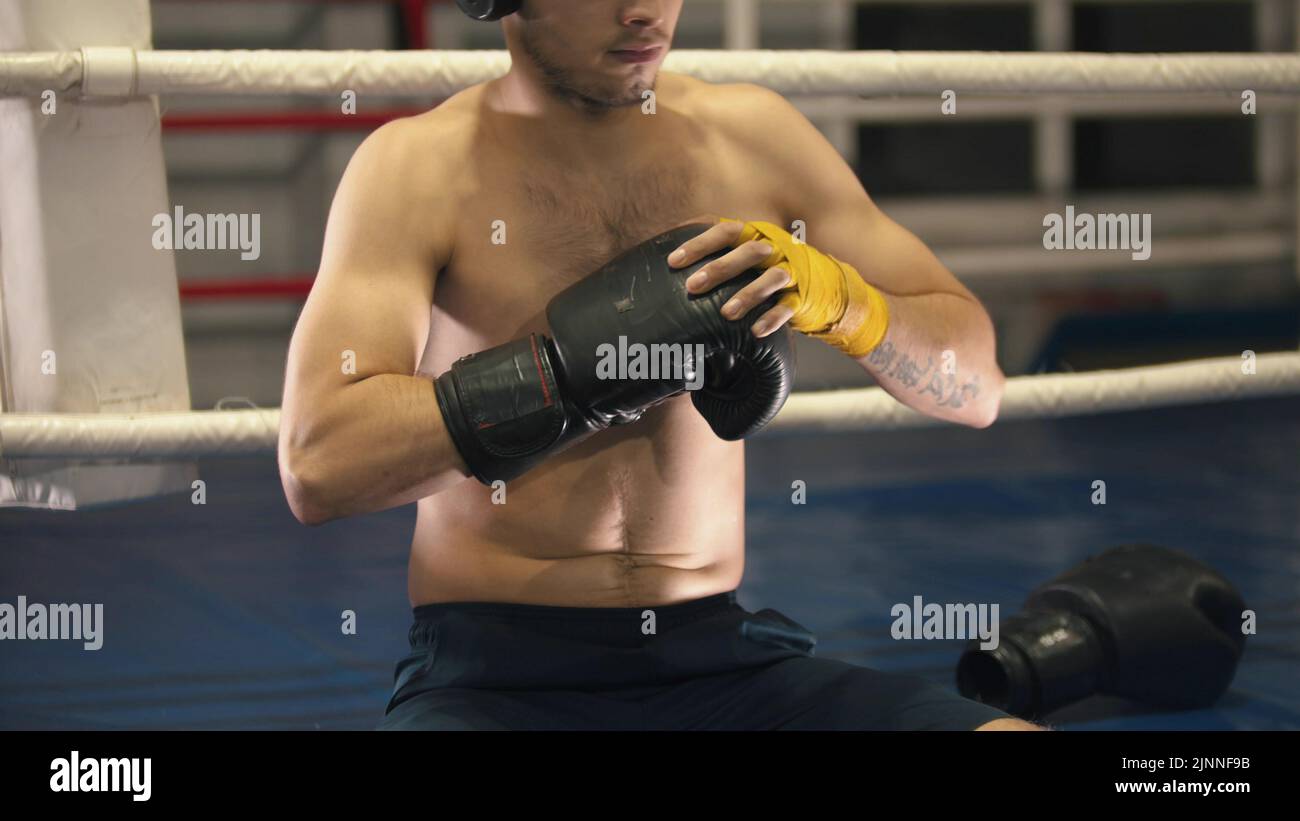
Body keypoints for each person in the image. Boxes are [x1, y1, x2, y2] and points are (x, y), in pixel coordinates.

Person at [278, 0, 1036, 730]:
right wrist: (567, 376)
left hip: (726, 669)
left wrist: (847, 301)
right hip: (494, 682)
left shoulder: (753, 139)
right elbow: (319, 462)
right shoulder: (418, 168)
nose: (645, 10)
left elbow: (977, 385)